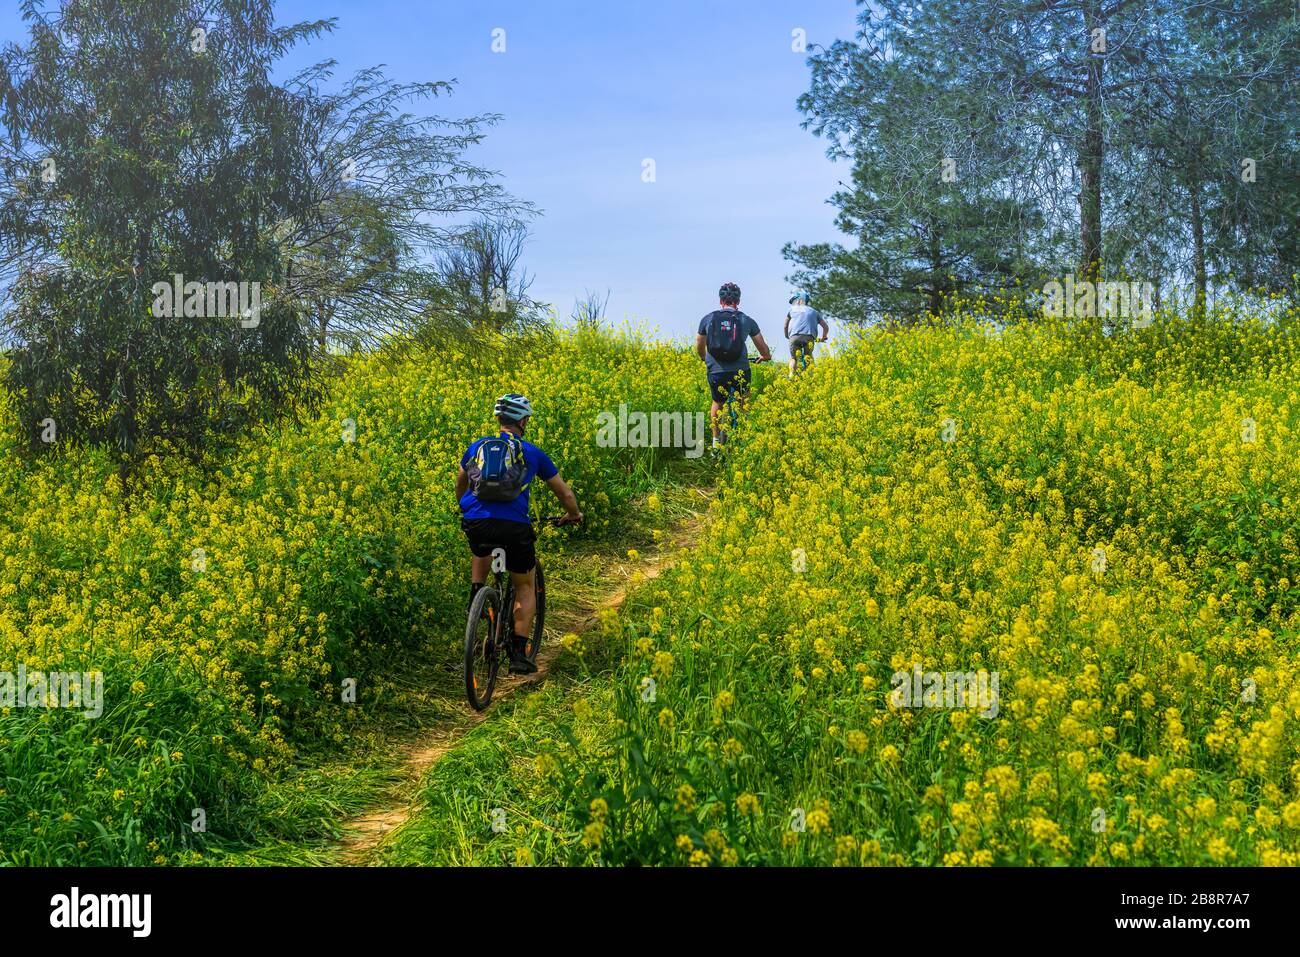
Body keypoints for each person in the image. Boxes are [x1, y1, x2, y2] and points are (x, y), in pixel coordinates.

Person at [455, 393, 582, 674]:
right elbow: (564, 492)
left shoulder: (477, 446)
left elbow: (461, 482)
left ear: (499, 419)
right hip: (514, 527)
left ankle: (476, 600)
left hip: (476, 522)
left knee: (481, 549)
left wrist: (463, 507)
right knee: (524, 583)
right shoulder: (531, 452)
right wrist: (573, 515)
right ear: (523, 420)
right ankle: (518, 653)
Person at [696, 282, 772, 448]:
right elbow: (762, 345)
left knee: (717, 402)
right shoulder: (746, 320)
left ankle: (716, 441)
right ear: (738, 301)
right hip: (740, 369)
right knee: (743, 400)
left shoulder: (708, 319)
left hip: (716, 371)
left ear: (720, 300)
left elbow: (699, 345)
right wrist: (765, 356)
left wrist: (704, 359)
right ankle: (742, 437)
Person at [784, 289, 828, 378]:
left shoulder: (791, 310)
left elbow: (785, 326)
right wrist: (823, 337)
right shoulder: (814, 311)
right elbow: (826, 327)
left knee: (794, 358)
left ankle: (791, 375)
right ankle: (810, 377)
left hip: (794, 336)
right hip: (809, 337)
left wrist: (787, 336)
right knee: (808, 356)